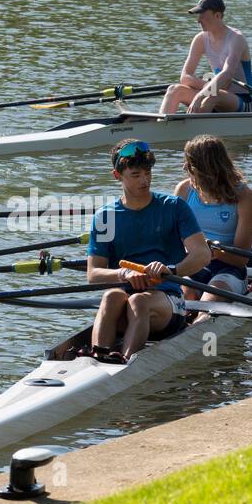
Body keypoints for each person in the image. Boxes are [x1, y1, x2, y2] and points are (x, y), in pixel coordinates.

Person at [83, 139, 212, 364]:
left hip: (168, 300)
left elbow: (202, 254)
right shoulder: (106, 218)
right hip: (124, 299)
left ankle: (124, 363)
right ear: (117, 176)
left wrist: (172, 269)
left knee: (139, 302)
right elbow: (94, 274)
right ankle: (99, 358)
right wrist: (123, 274)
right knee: (111, 295)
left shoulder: (173, 207)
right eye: (136, 175)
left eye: (147, 173)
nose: (145, 180)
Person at [171, 135, 252, 302]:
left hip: (228, 269)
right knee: (184, 298)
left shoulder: (246, 197)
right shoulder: (183, 190)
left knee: (207, 304)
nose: (185, 168)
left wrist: (216, 252)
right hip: (190, 265)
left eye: (189, 164)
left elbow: (241, 259)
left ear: (205, 169)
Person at [159, 0, 252, 115]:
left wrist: (201, 95)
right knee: (174, 90)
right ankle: (161, 126)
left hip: (244, 100)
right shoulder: (200, 39)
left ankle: (193, 129)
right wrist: (208, 86)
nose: (199, 20)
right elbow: (185, 77)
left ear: (217, 16)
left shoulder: (236, 39)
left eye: (203, 15)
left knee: (213, 96)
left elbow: (227, 74)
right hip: (215, 92)